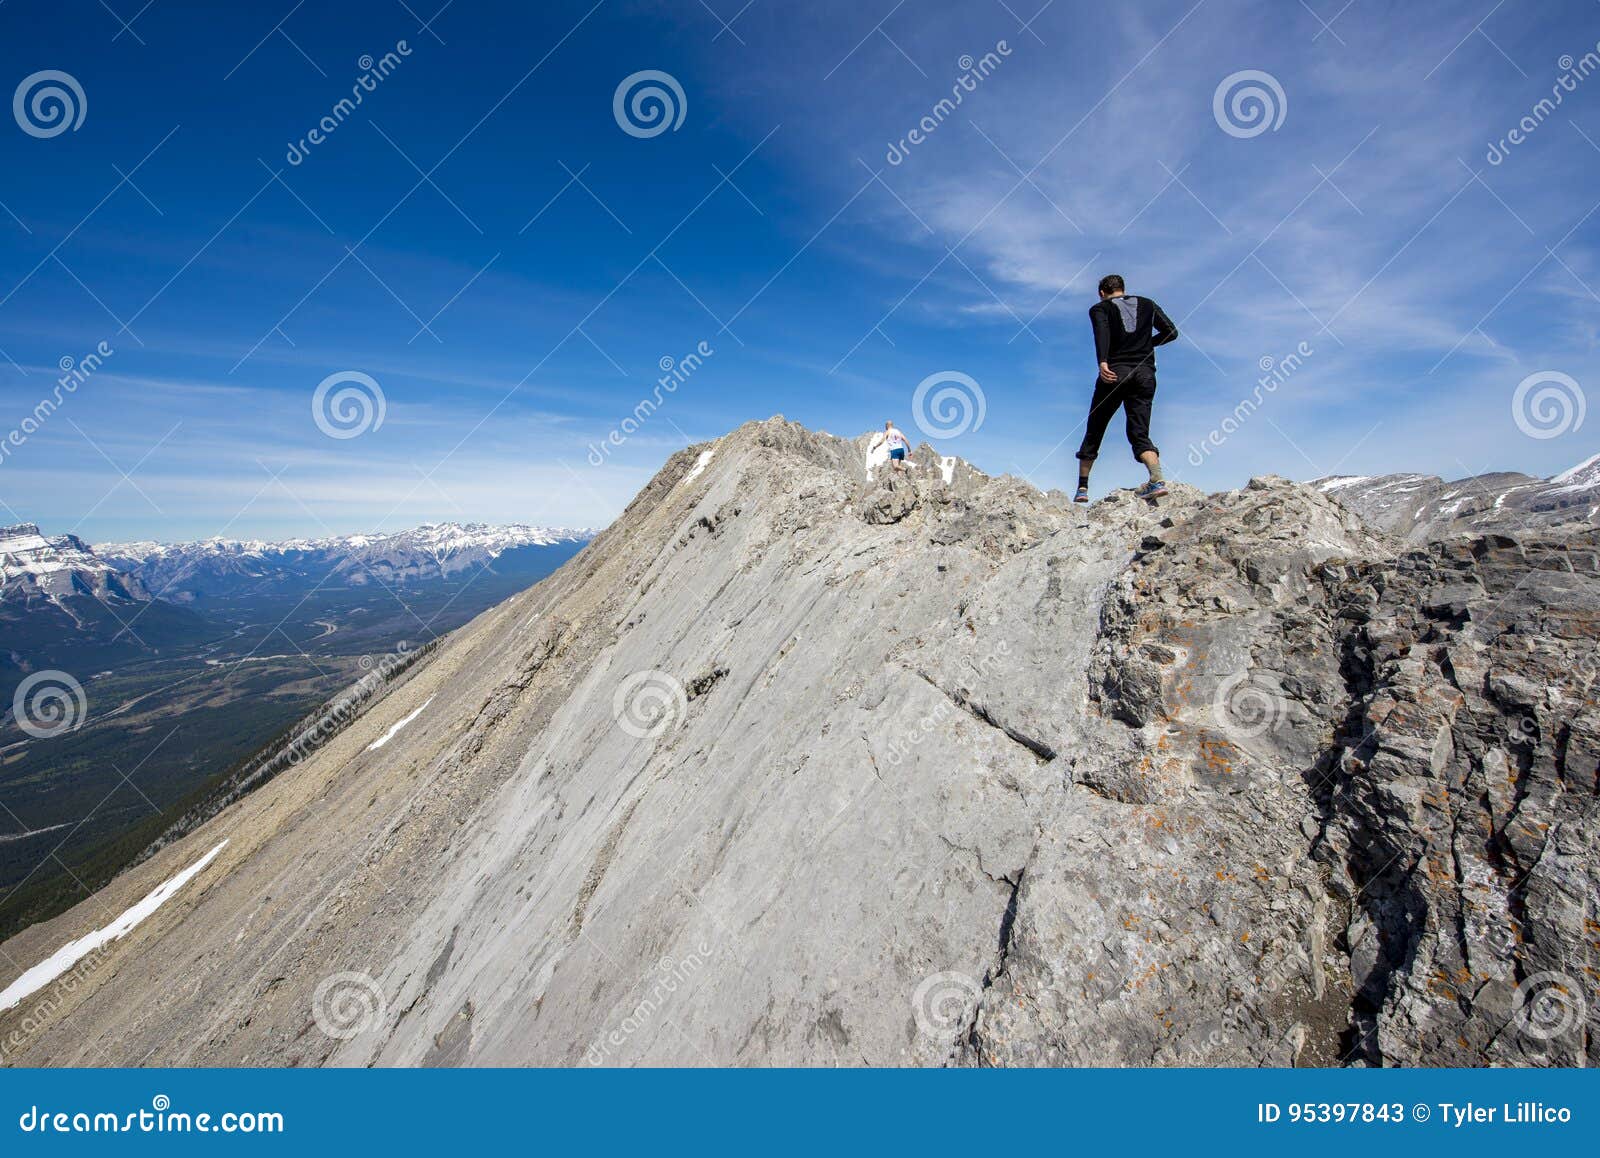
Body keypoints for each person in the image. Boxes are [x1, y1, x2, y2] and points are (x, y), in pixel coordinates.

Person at [1075, 274, 1178, 503]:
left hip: (1114, 373)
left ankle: (1082, 488)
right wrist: (1147, 344)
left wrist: (1103, 361)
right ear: (1123, 288)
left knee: (1096, 426)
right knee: (1139, 433)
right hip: (1145, 375)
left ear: (1102, 293)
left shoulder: (1100, 308)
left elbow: (1101, 332)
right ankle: (1157, 480)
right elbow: (1171, 332)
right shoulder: (1148, 304)